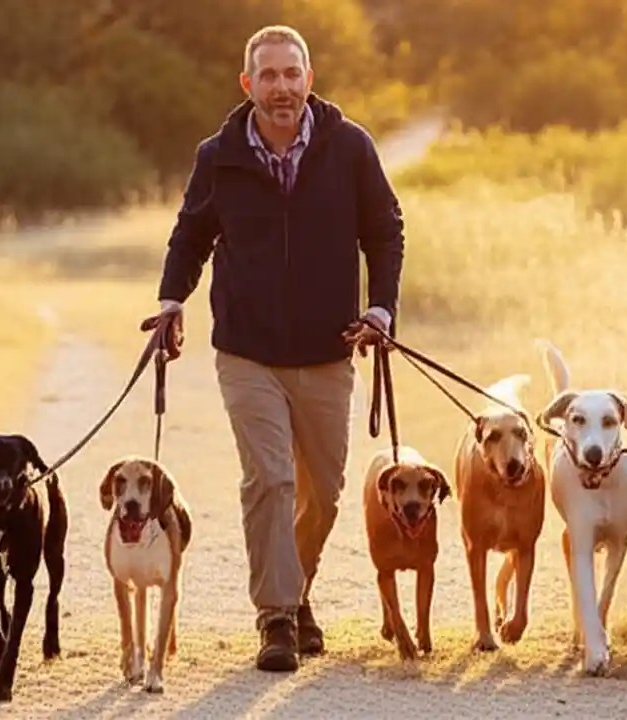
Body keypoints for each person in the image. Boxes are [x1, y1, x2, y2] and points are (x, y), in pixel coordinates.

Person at [144, 24, 405, 672]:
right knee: (270, 478)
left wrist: (380, 307)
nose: (282, 87)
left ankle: (297, 592)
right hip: (247, 350)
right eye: (269, 76)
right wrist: (172, 298)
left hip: (328, 348)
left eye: (293, 74)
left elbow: (385, 228)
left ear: (309, 79)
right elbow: (190, 235)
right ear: (248, 85)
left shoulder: (349, 148)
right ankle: (277, 618)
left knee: (325, 491)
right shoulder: (220, 156)